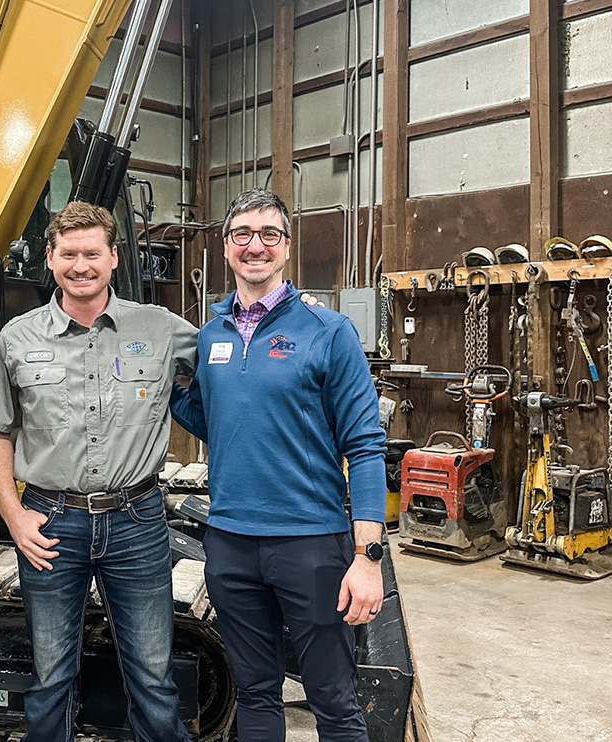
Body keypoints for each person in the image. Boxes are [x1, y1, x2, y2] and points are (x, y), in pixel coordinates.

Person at [171, 189, 387, 742]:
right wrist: (162, 387)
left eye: (269, 234)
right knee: (256, 696)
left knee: (334, 702)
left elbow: (366, 446)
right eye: (242, 234)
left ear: (287, 247)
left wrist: (367, 557)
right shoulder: (212, 335)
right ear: (226, 247)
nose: (255, 245)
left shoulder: (329, 332)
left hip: (310, 545)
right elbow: (218, 421)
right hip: (230, 544)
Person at [0, 201, 196, 742]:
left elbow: (236, 351)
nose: (81, 266)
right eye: (69, 254)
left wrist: (285, 315)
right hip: (50, 523)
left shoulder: (161, 328)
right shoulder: (17, 338)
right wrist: (13, 515)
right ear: (50, 258)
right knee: (51, 675)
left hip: (137, 521)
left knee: (153, 676)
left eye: (92, 253)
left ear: (114, 257)